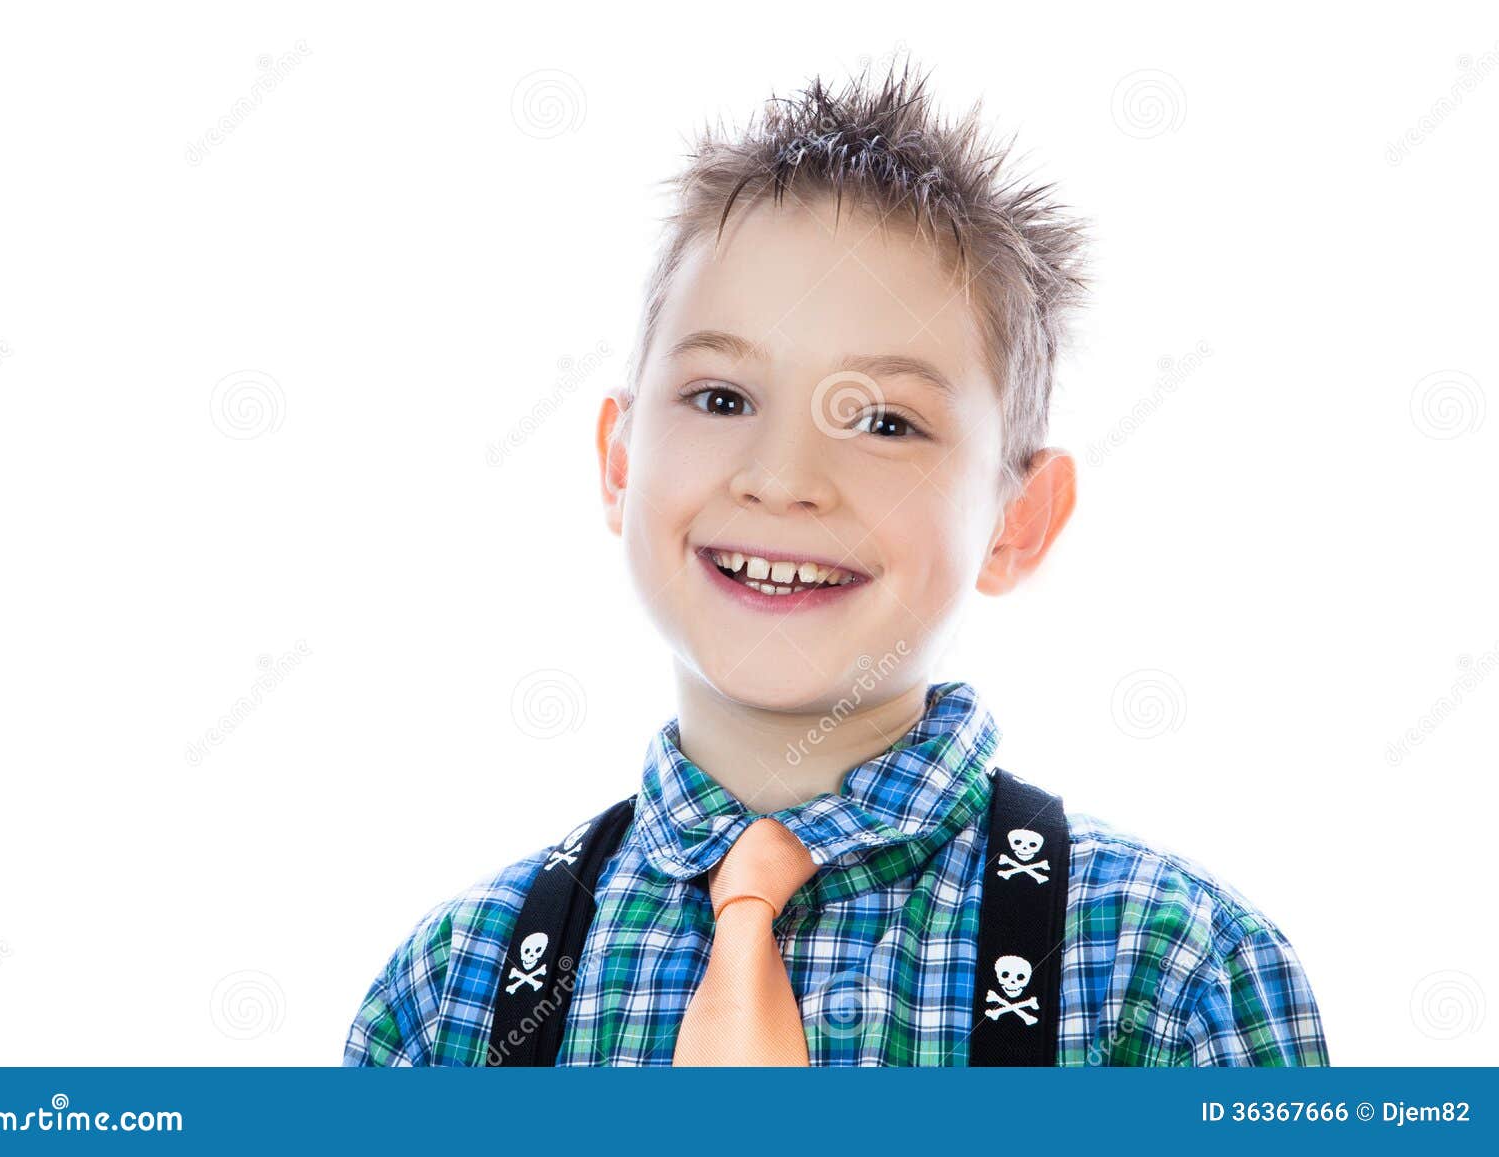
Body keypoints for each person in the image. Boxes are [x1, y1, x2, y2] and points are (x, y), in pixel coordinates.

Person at [343, 62, 1330, 1067]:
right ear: (618, 459)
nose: (781, 478)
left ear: (1017, 519)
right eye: (722, 398)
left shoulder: (1173, 975)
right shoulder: (449, 990)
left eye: (884, 420)